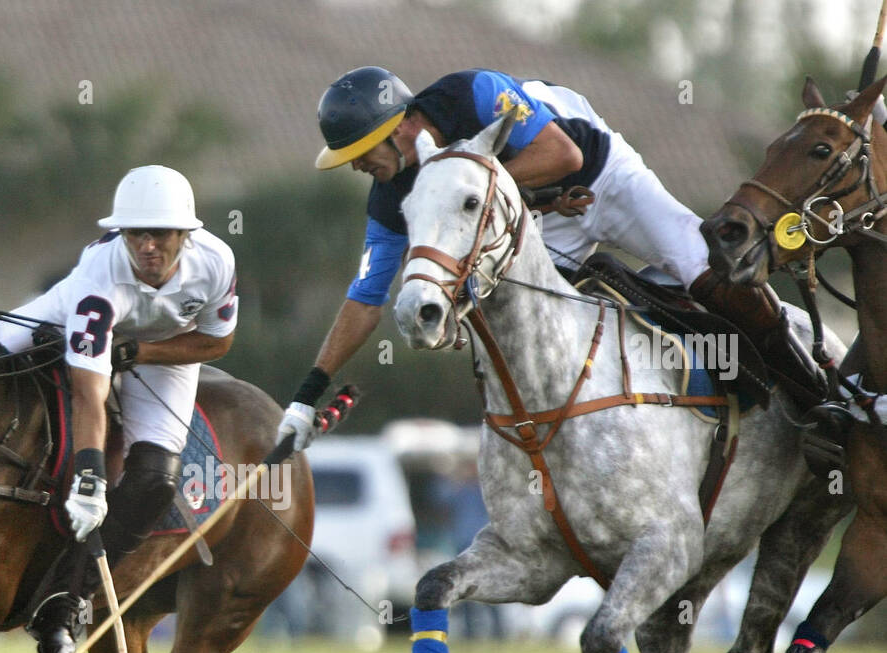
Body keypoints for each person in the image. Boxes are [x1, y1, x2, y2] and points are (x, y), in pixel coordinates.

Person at [276, 66, 829, 452]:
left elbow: (561, 153)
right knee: (518, 322)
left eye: (358, 153)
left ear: (398, 129)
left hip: (606, 179)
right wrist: (305, 397)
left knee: (706, 270)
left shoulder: (474, 93)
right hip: (542, 221)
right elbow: (366, 296)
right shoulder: (391, 194)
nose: (353, 167)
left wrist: (466, 187)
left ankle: (816, 396)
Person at [0, 165, 239, 653]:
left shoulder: (216, 261)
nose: (147, 246)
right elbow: (89, 392)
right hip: (70, 316)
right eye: (135, 233)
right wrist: (90, 479)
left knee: (154, 481)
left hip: (166, 345)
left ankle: (67, 599)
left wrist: (140, 351)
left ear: (186, 235)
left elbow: (218, 340)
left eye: (160, 234)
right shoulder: (98, 280)